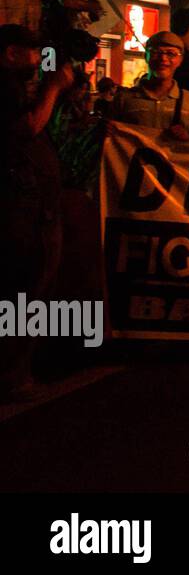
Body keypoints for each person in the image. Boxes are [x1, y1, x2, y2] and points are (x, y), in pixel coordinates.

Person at [0, 25, 77, 398]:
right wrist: (51, 90)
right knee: (25, 287)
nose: (37, 60)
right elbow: (26, 128)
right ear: (11, 53)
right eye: (32, 52)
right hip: (22, 210)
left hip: (31, 204)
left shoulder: (14, 88)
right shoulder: (4, 90)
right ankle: (14, 375)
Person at [107, 31, 189, 138]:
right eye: (156, 52)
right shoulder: (123, 100)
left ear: (180, 60)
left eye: (171, 53)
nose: (163, 59)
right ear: (145, 56)